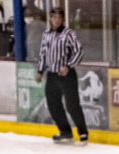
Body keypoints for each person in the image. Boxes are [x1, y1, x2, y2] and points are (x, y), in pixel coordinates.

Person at [35, 7, 88, 144]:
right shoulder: (46, 34)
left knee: (72, 105)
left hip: (67, 76)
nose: (56, 20)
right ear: (50, 19)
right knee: (53, 104)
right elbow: (43, 54)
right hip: (52, 76)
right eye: (53, 17)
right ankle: (65, 132)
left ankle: (82, 132)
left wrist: (69, 66)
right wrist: (40, 71)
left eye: (59, 17)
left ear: (63, 19)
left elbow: (79, 52)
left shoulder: (69, 33)